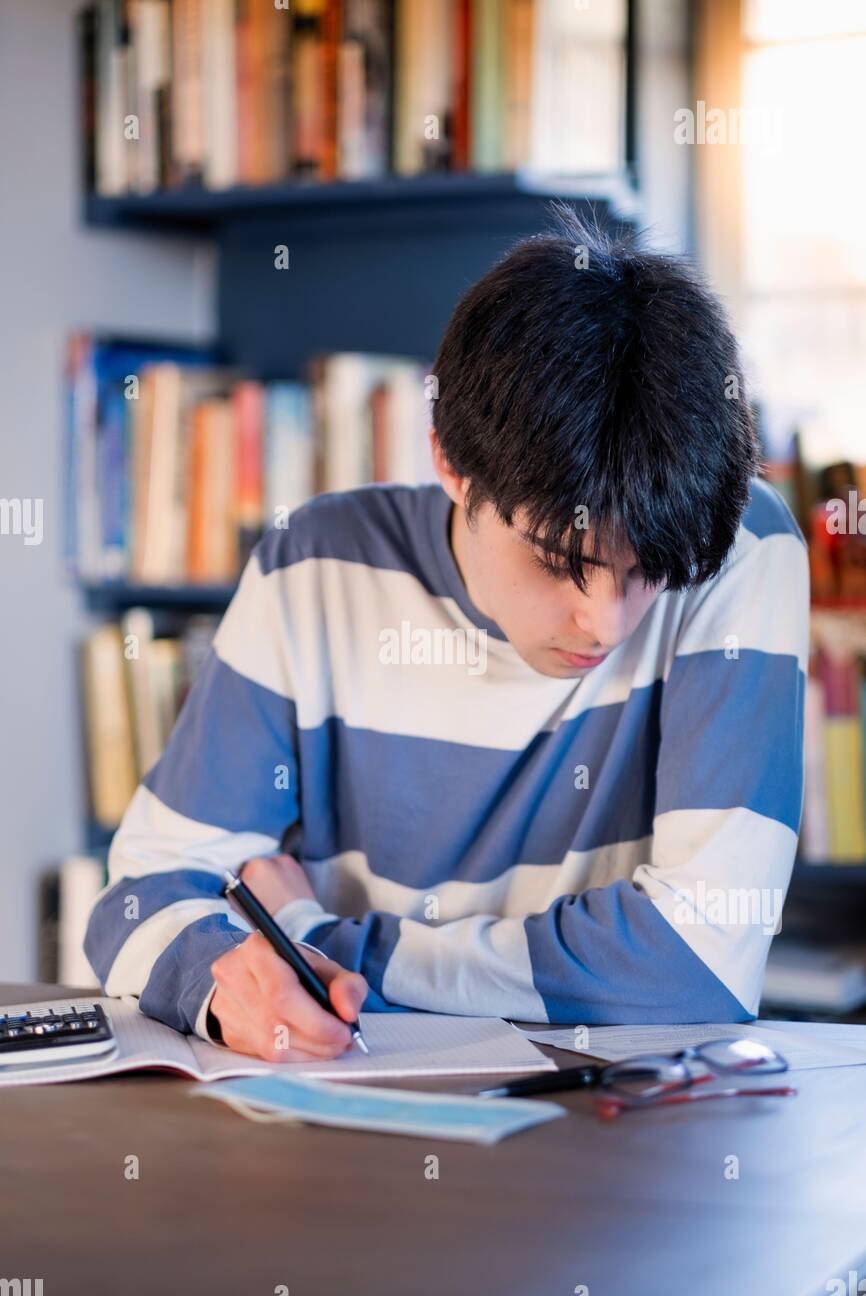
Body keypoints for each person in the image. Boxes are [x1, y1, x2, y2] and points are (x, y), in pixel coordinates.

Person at [85, 206, 809, 1062]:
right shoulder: (313, 569)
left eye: (651, 568)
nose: (609, 621)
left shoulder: (739, 546)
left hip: (630, 1147)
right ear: (450, 463)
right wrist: (227, 986)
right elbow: (138, 896)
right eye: (560, 560)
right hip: (354, 1119)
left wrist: (316, 936)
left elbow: (699, 963)